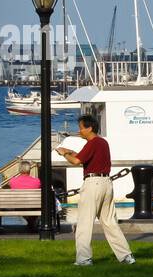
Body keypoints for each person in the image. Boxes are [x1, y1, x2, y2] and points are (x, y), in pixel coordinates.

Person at [56, 114, 135, 266]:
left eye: (81, 128)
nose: (79, 132)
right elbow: (82, 157)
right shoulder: (102, 143)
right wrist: (70, 151)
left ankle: (84, 258)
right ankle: (126, 256)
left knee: (85, 222)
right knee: (109, 221)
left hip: (93, 183)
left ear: (89, 128)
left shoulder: (92, 143)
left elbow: (76, 161)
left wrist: (64, 153)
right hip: (106, 183)